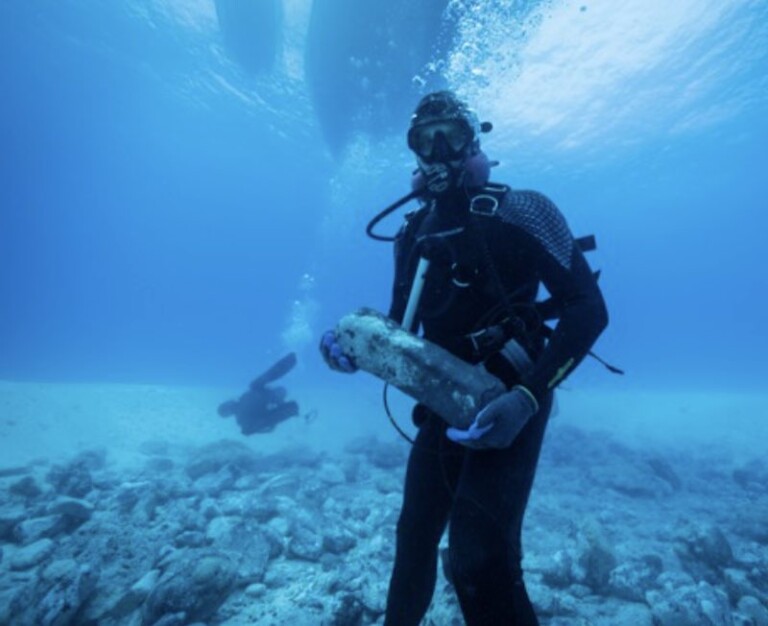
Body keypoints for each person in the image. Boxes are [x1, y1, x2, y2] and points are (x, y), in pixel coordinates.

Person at [320, 91, 608, 625]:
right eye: (423, 139)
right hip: (445, 401)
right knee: (413, 539)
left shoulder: (524, 210)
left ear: (472, 139)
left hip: (513, 395)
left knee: (478, 558)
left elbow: (588, 310)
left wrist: (526, 398)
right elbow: (397, 330)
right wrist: (349, 347)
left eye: (449, 135)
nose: (438, 150)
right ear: (413, 151)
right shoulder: (411, 233)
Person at [218, 352, 300, 435]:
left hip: (271, 403)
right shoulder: (242, 418)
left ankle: (288, 363)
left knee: (254, 385)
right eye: (227, 407)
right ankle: (288, 363)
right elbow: (264, 424)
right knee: (254, 385)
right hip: (270, 408)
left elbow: (266, 425)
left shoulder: (243, 401)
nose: (229, 404)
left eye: (227, 404)